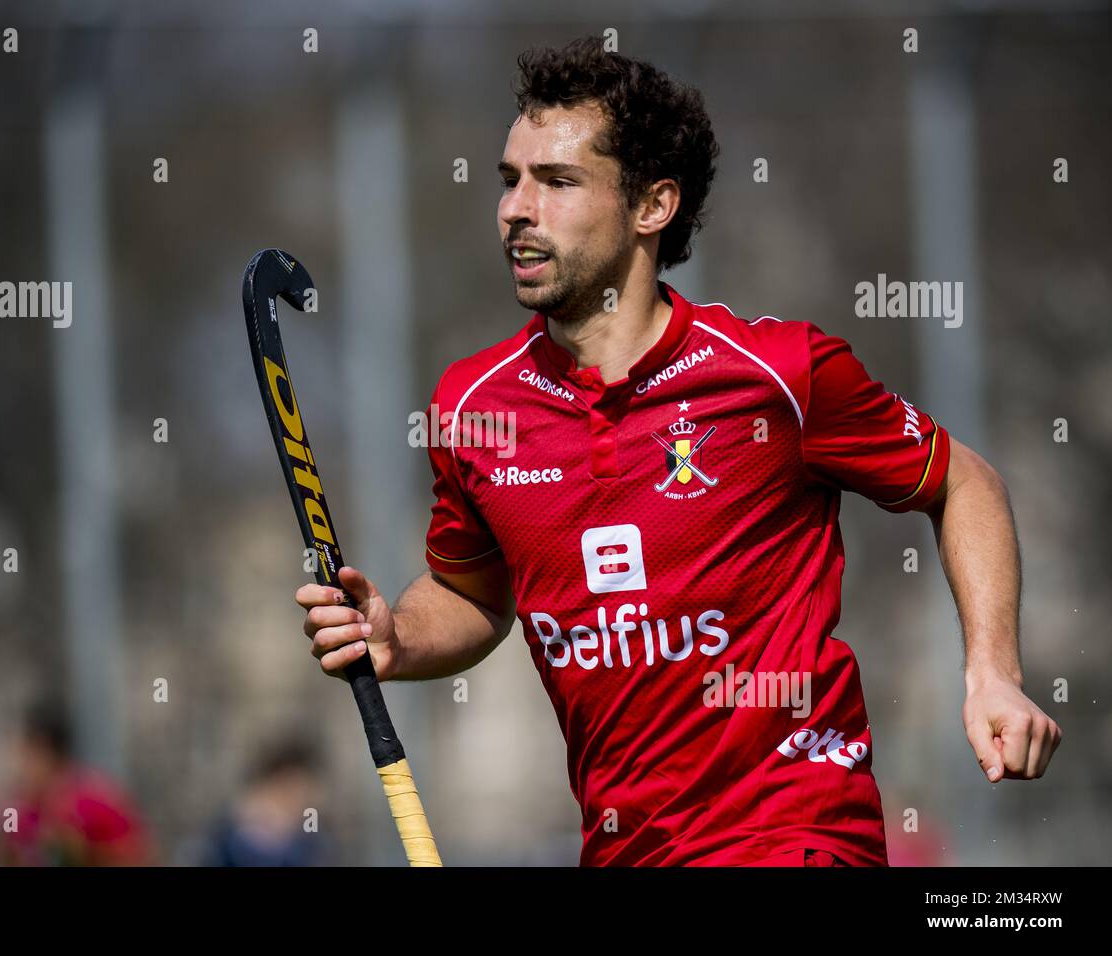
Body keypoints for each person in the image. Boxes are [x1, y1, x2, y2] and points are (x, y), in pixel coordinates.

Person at [296, 37, 1061, 866]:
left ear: (653, 206)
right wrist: (396, 637)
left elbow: (961, 479)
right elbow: (474, 595)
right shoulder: (474, 407)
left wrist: (992, 671)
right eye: (509, 179)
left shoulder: (782, 373)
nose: (517, 209)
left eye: (556, 182)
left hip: (795, 835)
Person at [0, 701, 149, 866]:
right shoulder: (19, 812)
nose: (16, 764)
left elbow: (138, 855)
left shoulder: (95, 804)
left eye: (23, 753)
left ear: (43, 750)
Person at [199, 739, 328, 867]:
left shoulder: (309, 827)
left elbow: (314, 851)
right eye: (289, 787)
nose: (296, 796)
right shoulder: (238, 820)